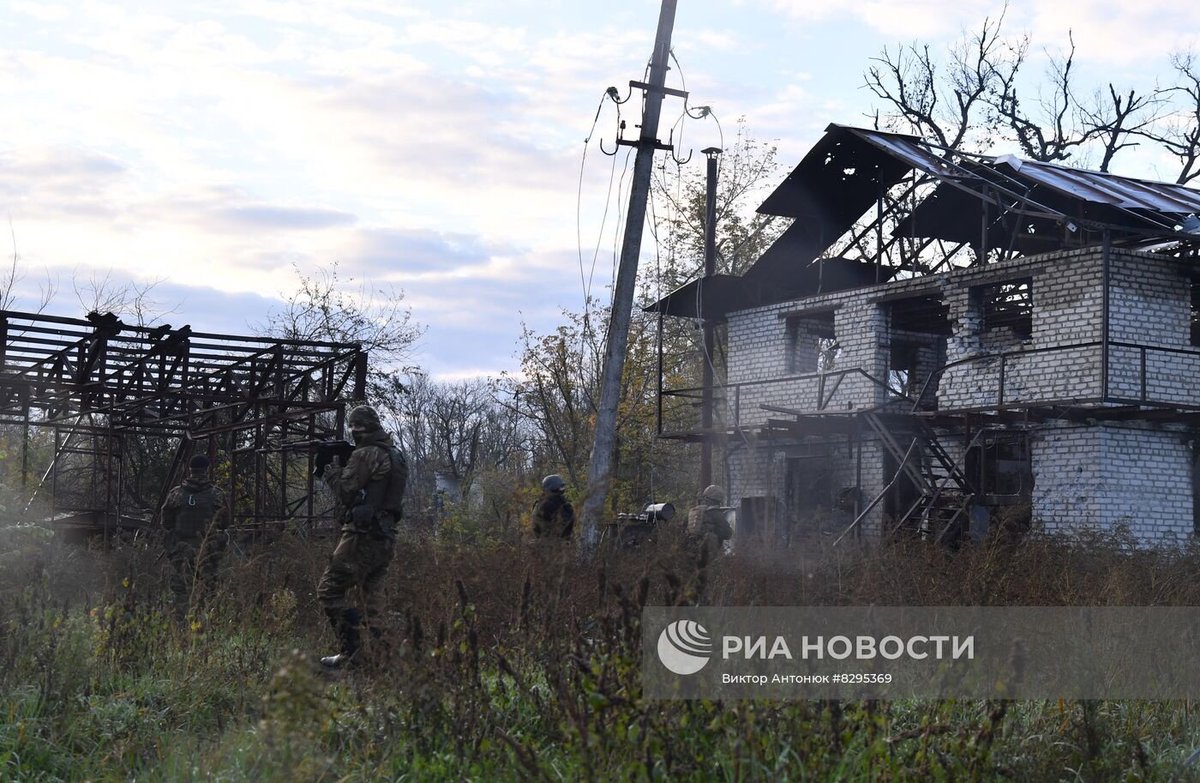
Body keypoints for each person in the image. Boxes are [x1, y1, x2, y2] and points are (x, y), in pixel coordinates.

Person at [317, 404, 407, 669]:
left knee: (329, 590)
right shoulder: (395, 454)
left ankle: (351, 654)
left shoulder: (366, 453)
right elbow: (374, 489)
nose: (354, 431)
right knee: (373, 602)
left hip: (362, 536)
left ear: (363, 427)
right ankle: (386, 660)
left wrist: (329, 469)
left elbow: (346, 492)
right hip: (386, 537)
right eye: (353, 427)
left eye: (356, 426)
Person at [160, 454, 228, 620]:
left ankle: (181, 626)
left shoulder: (176, 494)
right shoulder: (217, 495)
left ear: (190, 470)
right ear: (207, 470)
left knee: (181, 591)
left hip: (181, 552)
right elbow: (225, 523)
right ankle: (204, 626)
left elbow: (166, 523)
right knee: (207, 589)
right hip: (207, 553)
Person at [686, 484, 733, 556]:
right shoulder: (714, 512)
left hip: (690, 551)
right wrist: (714, 529)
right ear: (718, 499)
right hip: (708, 554)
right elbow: (728, 533)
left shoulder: (693, 511)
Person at [532, 474, 574, 538]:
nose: (563, 490)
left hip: (551, 541)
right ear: (554, 488)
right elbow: (565, 524)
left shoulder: (547, 501)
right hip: (552, 542)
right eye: (560, 488)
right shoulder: (547, 504)